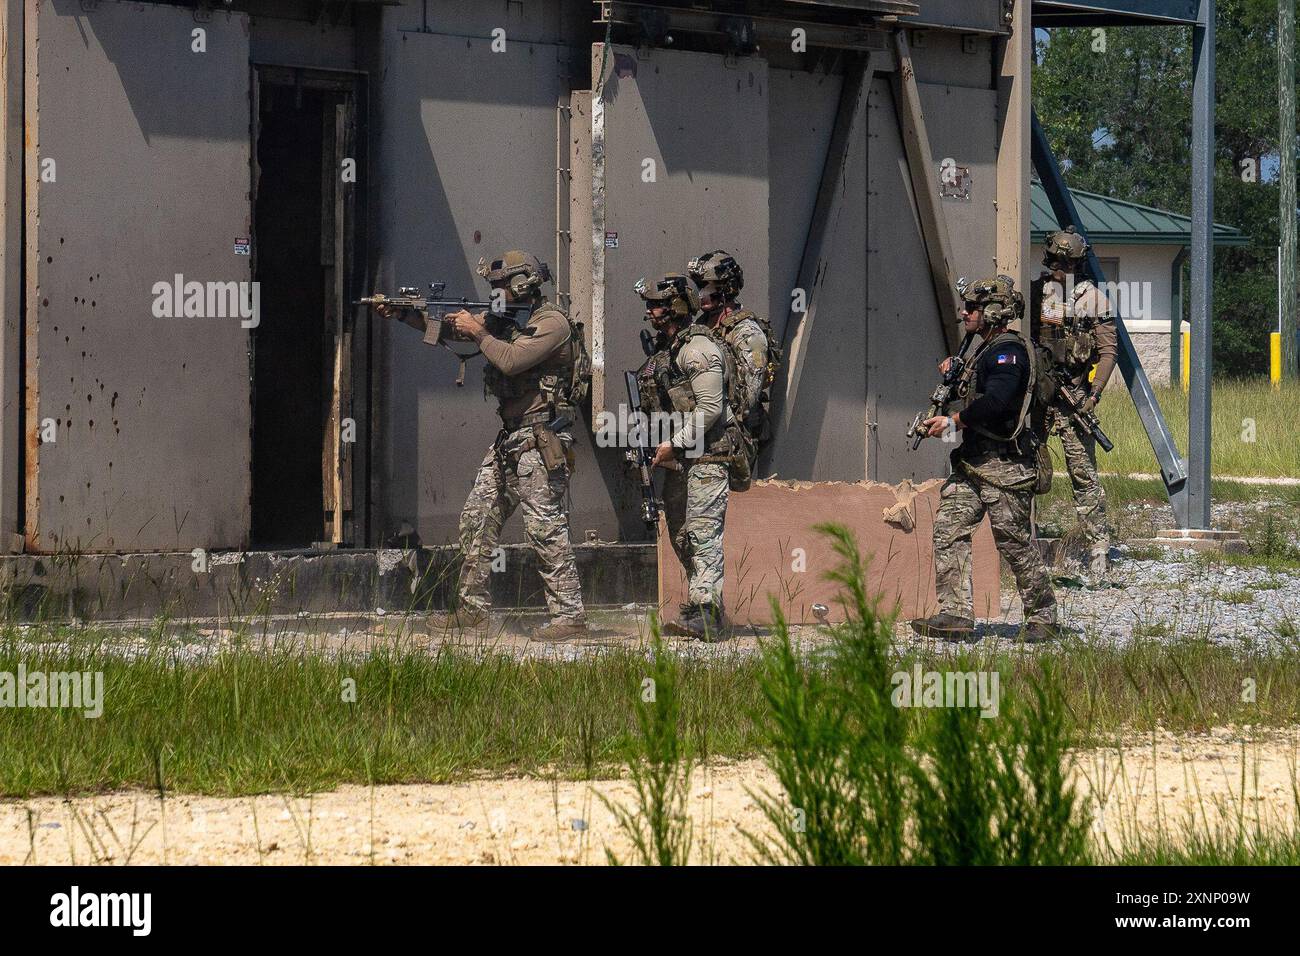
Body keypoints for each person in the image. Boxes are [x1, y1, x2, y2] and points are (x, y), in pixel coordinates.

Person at [378, 251, 588, 640]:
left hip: (540, 438)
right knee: (477, 520)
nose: (493, 292)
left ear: (523, 284)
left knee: (545, 528)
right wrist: (407, 315)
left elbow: (509, 360)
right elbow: (455, 332)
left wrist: (478, 330)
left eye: (500, 285)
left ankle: (569, 616)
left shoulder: (551, 323)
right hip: (511, 437)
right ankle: (474, 613)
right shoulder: (503, 318)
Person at [911, 276, 1059, 644]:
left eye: (972, 308)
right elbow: (974, 406)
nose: (964, 313)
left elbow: (997, 404)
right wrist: (953, 388)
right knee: (949, 530)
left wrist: (953, 421)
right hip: (973, 465)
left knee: (1013, 541)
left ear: (992, 312)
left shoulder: (1008, 352)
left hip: (1004, 468)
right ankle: (956, 614)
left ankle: (1043, 615)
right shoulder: (983, 351)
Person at [634, 273, 739, 641]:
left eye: (658, 304)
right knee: (682, 534)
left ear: (678, 307)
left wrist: (672, 444)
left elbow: (710, 407)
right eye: (649, 304)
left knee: (702, 532)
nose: (651, 311)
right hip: (683, 457)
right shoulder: (668, 350)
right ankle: (704, 607)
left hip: (708, 456)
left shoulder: (697, 349)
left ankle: (707, 613)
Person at [1035, 226, 1117, 578]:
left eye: (1066, 265)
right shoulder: (1037, 293)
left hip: (1075, 395)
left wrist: (1094, 394)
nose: (1060, 270)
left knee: (1084, 475)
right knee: (1028, 470)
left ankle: (1098, 551)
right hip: (1039, 395)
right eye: (1056, 262)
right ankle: (1026, 546)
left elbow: (1108, 351)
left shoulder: (1095, 299)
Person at [686, 250, 778, 462]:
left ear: (726, 288)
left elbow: (747, 399)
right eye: (700, 287)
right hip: (705, 429)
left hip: (734, 435)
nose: (701, 294)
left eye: (707, 287)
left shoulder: (747, 334)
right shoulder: (701, 324)